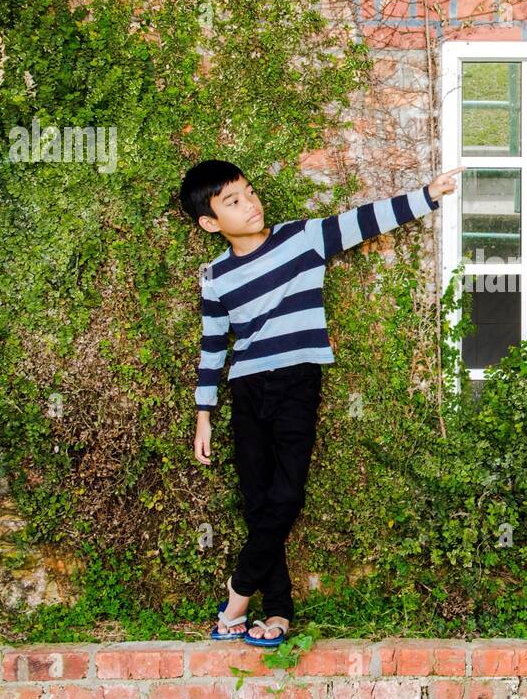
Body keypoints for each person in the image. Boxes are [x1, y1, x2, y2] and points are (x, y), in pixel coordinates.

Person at [178, 158, 463, 644]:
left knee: (286, 497)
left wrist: (427, 195)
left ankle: (237, 596)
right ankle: (278, 612)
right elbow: (212, 347)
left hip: (297, 383)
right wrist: (204, 415)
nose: (251, 204)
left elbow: (361, 221)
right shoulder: (215, 277)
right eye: (233, 201)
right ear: (210, 222)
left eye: (249, 192)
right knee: (258, 505)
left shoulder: (300, 238)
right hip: (246, 390)